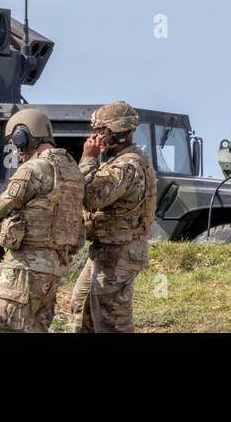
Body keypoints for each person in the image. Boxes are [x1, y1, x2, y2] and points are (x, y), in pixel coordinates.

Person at [0, 108, 84, 333]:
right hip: (53, 267)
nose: (17, 151)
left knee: (10, 327)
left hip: (24, 269)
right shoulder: (71, 169)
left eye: (16, 143)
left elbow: (1, 206)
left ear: (25, 136)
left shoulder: (33, 169)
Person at [71, 101, 157, 333]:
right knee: (82, 307)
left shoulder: (125, 166)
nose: (94, 137)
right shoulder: (120, 161)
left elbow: (89, 197)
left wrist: (88, 158)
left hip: (118, 253)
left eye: (100, 131)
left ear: (116, 133)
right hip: (107, 250)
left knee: (112, 322)